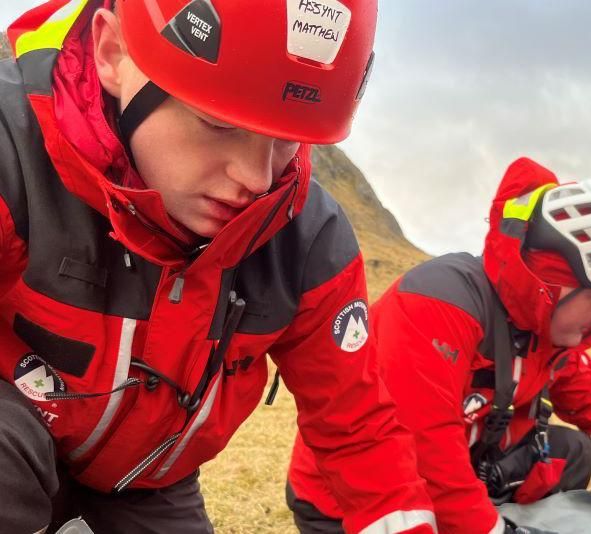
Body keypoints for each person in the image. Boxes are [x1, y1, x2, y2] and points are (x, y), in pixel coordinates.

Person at [0, 1, 436, 533]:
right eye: (220, 124)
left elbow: (359, 432)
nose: (257, 178)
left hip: (145, 482)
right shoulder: (10, 151)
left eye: (285, 139)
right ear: (114, 53)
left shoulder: (309, 238)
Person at [286, 157, 591, 534]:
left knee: (572, 453)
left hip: (457, 473)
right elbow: (426, 455)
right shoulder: (438, 305)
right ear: (554, 284)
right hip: (351, 505)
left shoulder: (541, 332)